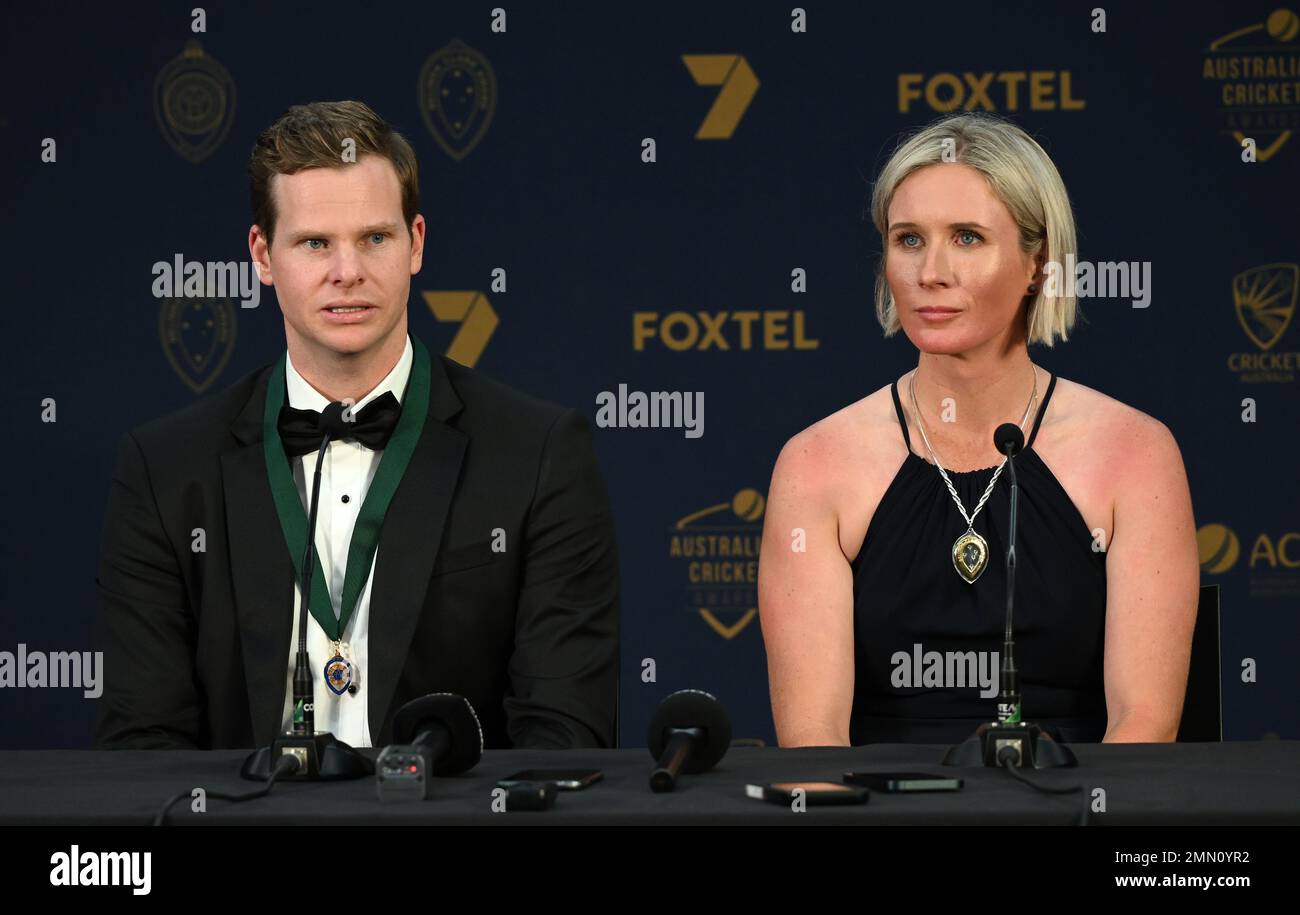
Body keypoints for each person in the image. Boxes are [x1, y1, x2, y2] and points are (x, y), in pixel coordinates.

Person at [94, 100, 619, 751]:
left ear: (416, 243)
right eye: (315, 242)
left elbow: (564, 737)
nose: (349, 271)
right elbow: (145, 748)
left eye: (375, 237)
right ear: (262, 254)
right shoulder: (164, 468)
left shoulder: (539, 453)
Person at [758, 112, 1199, 747]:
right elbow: (813, 747)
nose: (930, 272)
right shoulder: (814, 463)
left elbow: (1144, 730)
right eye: (909, 239)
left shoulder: (1135, 453)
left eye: (966, 238)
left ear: (1037, 265)